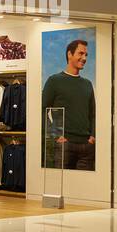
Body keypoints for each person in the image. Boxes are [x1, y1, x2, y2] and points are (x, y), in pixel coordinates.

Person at [41, 38, 95, 170]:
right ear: (69, 54)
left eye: (86, 54)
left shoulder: (87, 84)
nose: (84, 58)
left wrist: (92, 137)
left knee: (84, 188)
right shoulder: (54, 81)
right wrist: (54, 134)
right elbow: (42, 110)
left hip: (86, 147)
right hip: (64, 145)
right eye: (80, 53)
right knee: (62, 188)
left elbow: (92, 114)